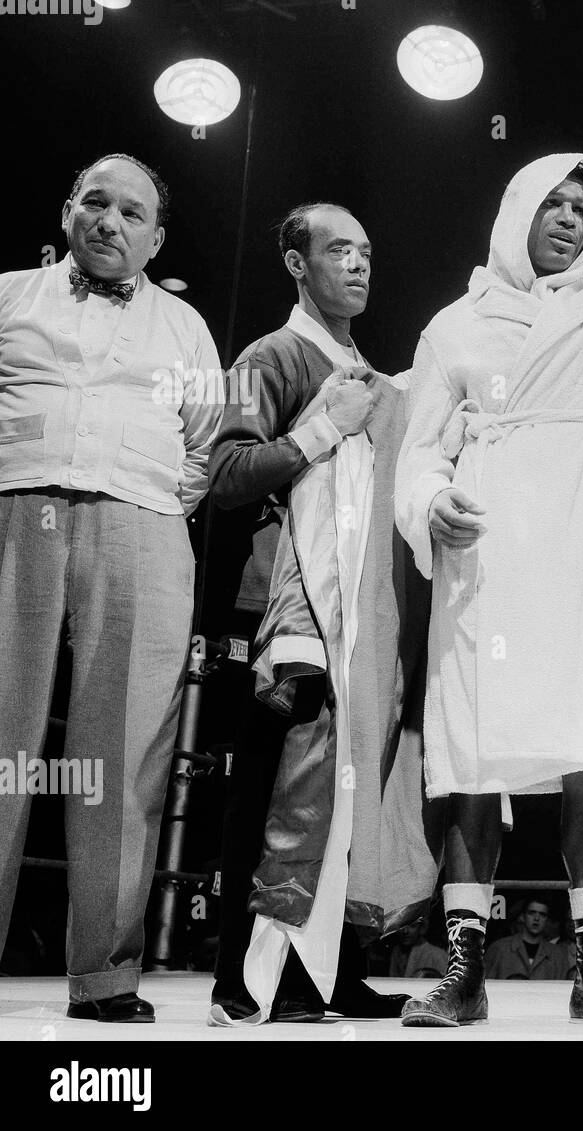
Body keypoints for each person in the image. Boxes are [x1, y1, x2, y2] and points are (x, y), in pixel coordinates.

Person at [395, 154, 583, 1028]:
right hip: (491, 544)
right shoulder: (455, 326)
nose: (570, 217)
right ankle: (463, 970)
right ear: (516, 212)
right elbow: (422, 450)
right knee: (475, 751)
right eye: (551, 203)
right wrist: (433, 501)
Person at [0, 153, 222, 1023]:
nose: (110, 222)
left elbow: (208, 444)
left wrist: (155, 504)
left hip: (141, 524)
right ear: (66, 211)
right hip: (15, 507)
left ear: (155, 236)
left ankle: (104, 977)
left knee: (125, 754)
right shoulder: (9, 295)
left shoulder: (186, 327)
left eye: (132, 213)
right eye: (96, 202)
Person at [205, 202, 430, 1025]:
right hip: (287, 615)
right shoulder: (271, 354)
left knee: (339, 792)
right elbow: (224, 473)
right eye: (339, 250)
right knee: (269, 794)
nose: (360, 265)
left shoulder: (370, 370)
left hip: (364, 624)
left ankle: (327, 970)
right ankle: (244, 975)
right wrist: (316, 435)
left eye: (367, 251)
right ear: (298, 264)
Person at [485, 899, 572, 980]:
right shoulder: (500, 949)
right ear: (522, 917)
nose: (537, 918)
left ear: (547, 920)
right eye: (532, 913)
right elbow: (484, 985)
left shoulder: (557, 955)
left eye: (542, 914)